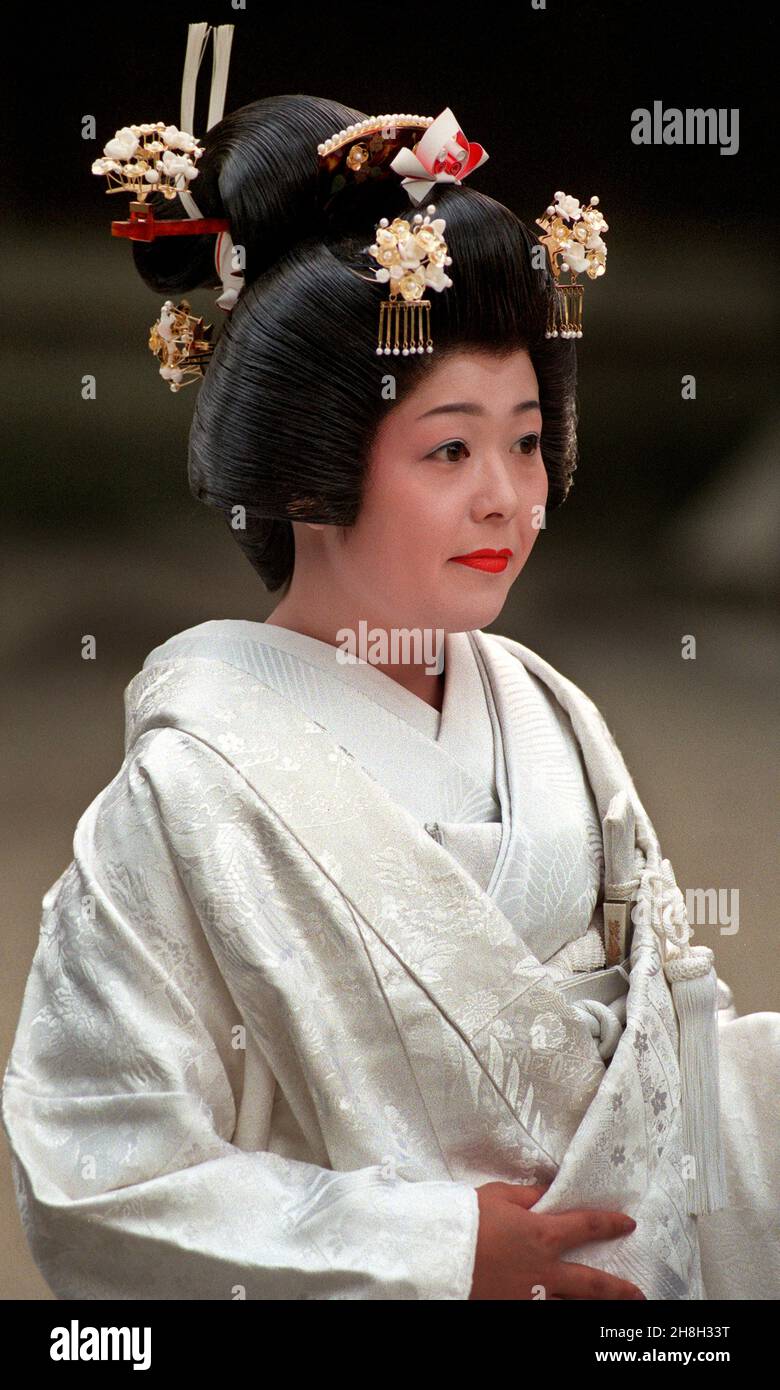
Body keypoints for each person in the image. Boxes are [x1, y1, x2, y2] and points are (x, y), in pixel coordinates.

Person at [3, 48, 779, 1300]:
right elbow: (103, 1164)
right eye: (450, 448)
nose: (508, 500)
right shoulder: (189, 793)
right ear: (311, 463)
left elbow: (674, 1036)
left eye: (527, 444)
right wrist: (433, 1251)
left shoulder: (548, 713)